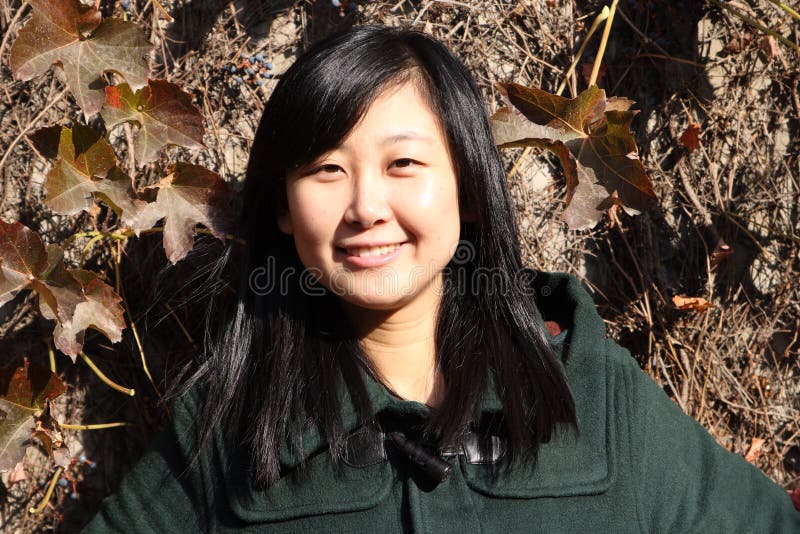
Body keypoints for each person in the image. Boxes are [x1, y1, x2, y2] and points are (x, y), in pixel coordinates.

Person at [83, 24, 800, 533]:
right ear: (281, 206)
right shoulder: (232, 427)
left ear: (468, 188)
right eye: (327, 169)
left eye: (403, 165)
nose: (366, 207)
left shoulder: (590, 392)